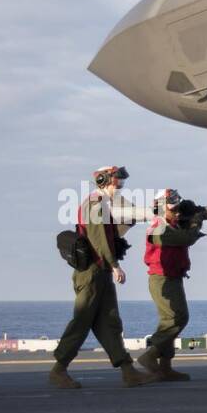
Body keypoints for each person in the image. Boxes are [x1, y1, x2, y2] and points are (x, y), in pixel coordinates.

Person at [49, 165, 154, 389]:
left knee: (110, 323)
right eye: (117, 182)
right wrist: (115, 266)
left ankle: (128, 370)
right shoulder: (95, 205)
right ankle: (59, 369)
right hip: (92, 272)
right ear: (104, 181)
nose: (120, 186)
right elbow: (99, 241)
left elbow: (112, 234)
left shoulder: (104, 205)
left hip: (100, 271)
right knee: (82, 320)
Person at [136, 189, 206, 383]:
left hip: (173, 276)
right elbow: (185, 239)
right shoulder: (158, 227)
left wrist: (188, 217)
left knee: (169, 321)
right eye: (172, 208)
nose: (177, 212)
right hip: (162, 278)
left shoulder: (170, 224)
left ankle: (165, 367)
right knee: (178, 318)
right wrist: (195, 222)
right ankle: (151, 355)